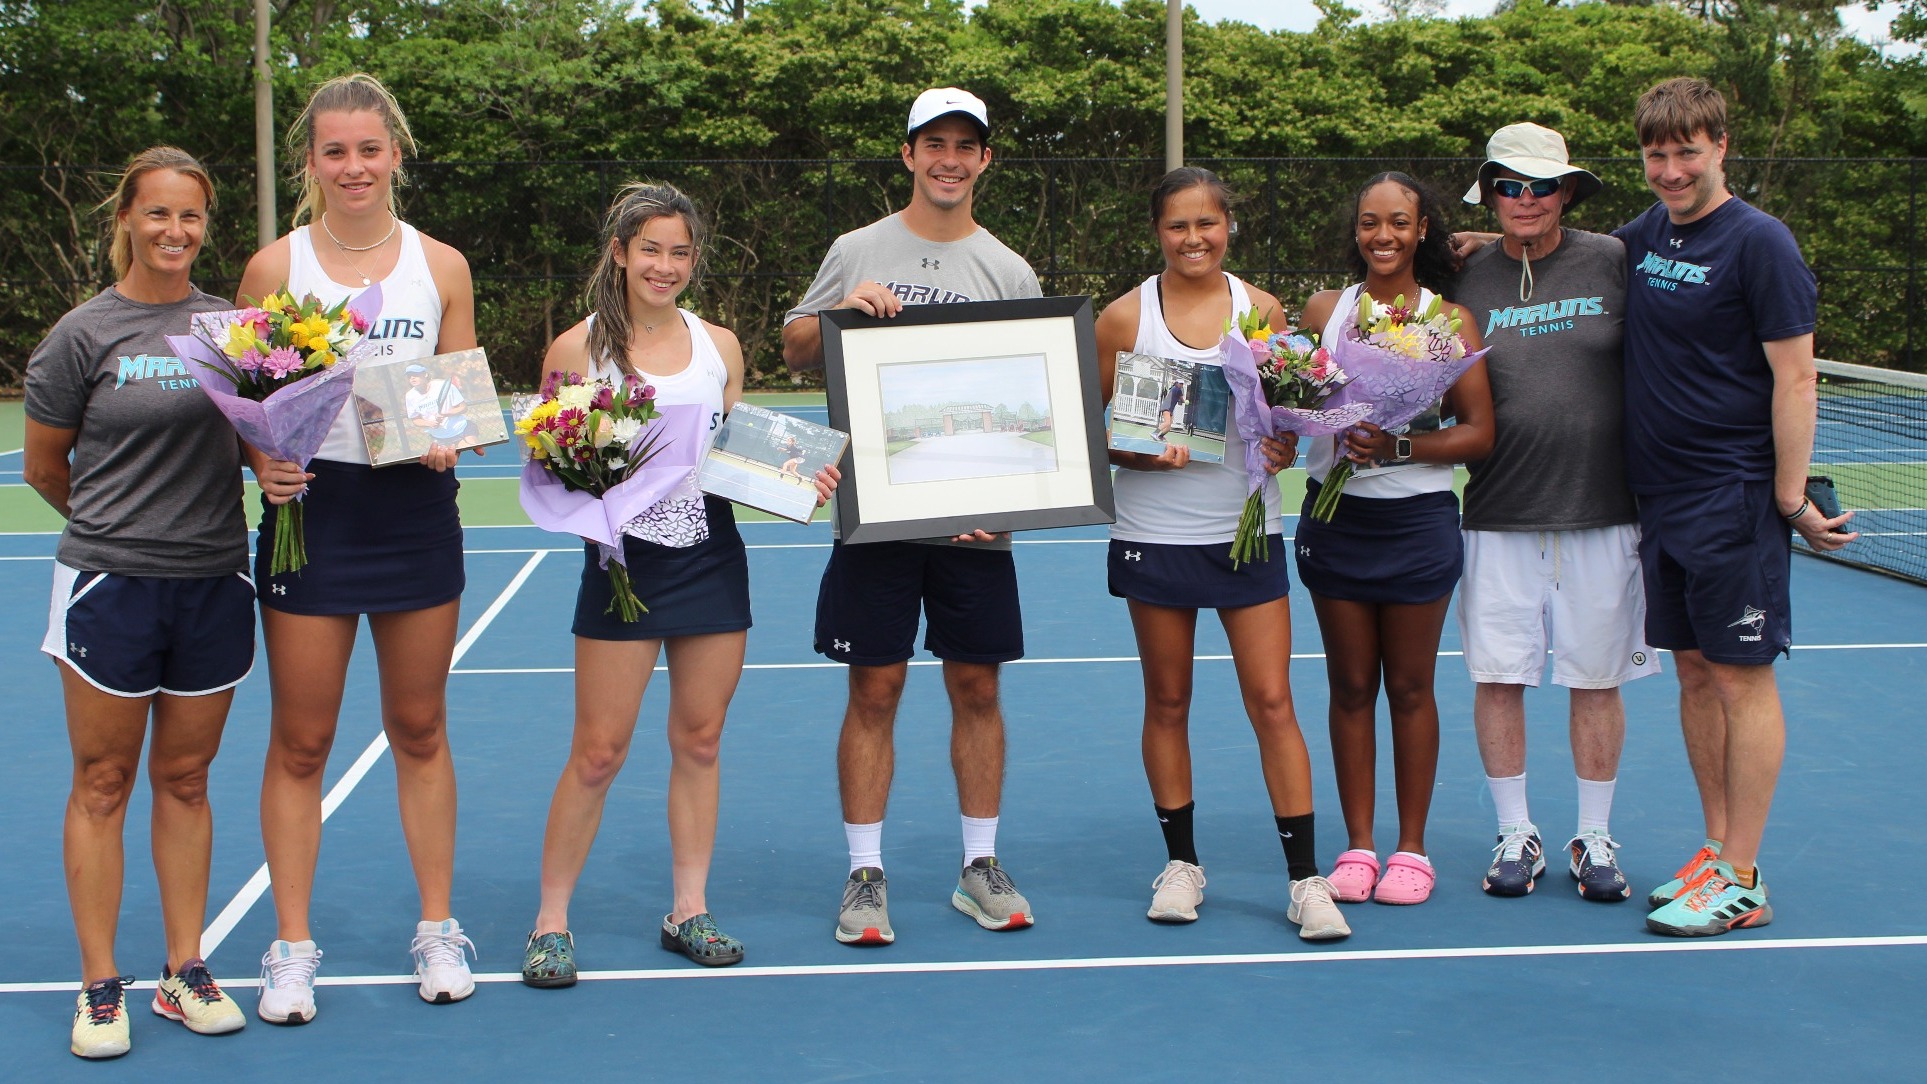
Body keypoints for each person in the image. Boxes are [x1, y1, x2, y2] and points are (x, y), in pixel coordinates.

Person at [520, 182, 838, 986]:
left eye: (679, 253)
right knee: (598, 752)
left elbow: (735, 458)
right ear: (620, 253)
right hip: (621, 566)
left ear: (694, 260)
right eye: (650, 250)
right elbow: (551, 461)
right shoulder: (575, 348)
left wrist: (796, 479)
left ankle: (687, 910)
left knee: (699, 740)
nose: (664, 266)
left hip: (710, 557)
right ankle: (550, 922)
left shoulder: (718, 344)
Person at [23, 147, 300, 1058]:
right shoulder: (83, 335)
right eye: (157, 214)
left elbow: (260, 437)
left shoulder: (232, 330)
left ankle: (184, 972)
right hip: (111, 588)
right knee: (103, 783)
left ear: (204, 226)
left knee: (185, 780)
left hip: (213, 583)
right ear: (127, 221)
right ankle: (101, 987)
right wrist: (121, 533)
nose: (174, 231)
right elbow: (45, 468)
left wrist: (274, 469)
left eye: (190, 216)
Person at [236, 71, 480, 1023]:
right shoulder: (275, 265)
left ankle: (438, 930)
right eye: (335, 151)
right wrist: (262, 460)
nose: (353, 167)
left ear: (395, 156)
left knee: (419, 729)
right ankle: (291, 949)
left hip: (414, 511)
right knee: (301, 742)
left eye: (368, 150)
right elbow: (245, 403)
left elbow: (456, 394)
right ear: (310, 161)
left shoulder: (441, 265)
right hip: (314, 514)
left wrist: (448, 432)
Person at [781, 87, 1042, 945]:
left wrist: (1008, 499)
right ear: (908, 154)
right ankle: (865, 875)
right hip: (878, 514)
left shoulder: (1007, 271)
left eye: (965, 146)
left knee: (978, 687)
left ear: (984, 160)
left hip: (974, 522)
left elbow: (1029, 390)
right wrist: (840, 312)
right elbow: (794, 347)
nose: (949, 160)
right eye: (934, 144)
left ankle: (979, 866)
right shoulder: (857, 249)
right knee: (875, 689)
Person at [1613, 79, 1853, 936]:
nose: (1671, 170)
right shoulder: (1645, 234)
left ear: (1720, 145)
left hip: (1733, 495)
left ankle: (1742, 877)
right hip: (1660, 496)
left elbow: (1796, 377)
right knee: (1692, 670)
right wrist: (1486, 239)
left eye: (1687, 152)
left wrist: (1788, 497)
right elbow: (1570, 251)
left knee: (1740, 678)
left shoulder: (1760, 243)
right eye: (1656, 155)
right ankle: (1715, 850)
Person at [1094, 166, 1349, 939]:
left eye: (1206, 222)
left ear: (1227, 225)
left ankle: (1305, 879)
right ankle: (1181, 866)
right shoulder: (1121, 318)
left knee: (1271, 702)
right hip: (1153, 535)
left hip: (1245, 531)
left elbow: (1288, 414)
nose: (1193, 238)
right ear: (1156, 232)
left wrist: (1284, 441)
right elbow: (1089, 434)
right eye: (1177, 225)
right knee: (1167, 702)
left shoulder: (1260, 309)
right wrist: (1135, 454)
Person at [1452, 123, 1659, 902]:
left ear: (1566, 191)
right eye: (1509, 185)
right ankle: (1515, 834)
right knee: (1497, 676)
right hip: (1497, 510)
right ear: (1489, 194)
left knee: (1595, 680)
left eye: (1541, 185)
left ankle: (1592, 838)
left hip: (1604, 511)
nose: (1526, 198)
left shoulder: (1614, 258)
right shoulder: (1461, 275)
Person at [1295, 172, 1493, 907]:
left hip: (1417, 525)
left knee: (1410, 688)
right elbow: (1289, 398)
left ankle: (1411, 848)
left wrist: (1397, 447)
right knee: (1349, 687)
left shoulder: (1450, 321)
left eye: (1399, 222)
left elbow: (1480, 433)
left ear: (1422, 230)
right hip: (1335, 522)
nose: (1383, 235)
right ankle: (1358, 846)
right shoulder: (1324, 311)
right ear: (1356, 230)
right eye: (1370, 222)